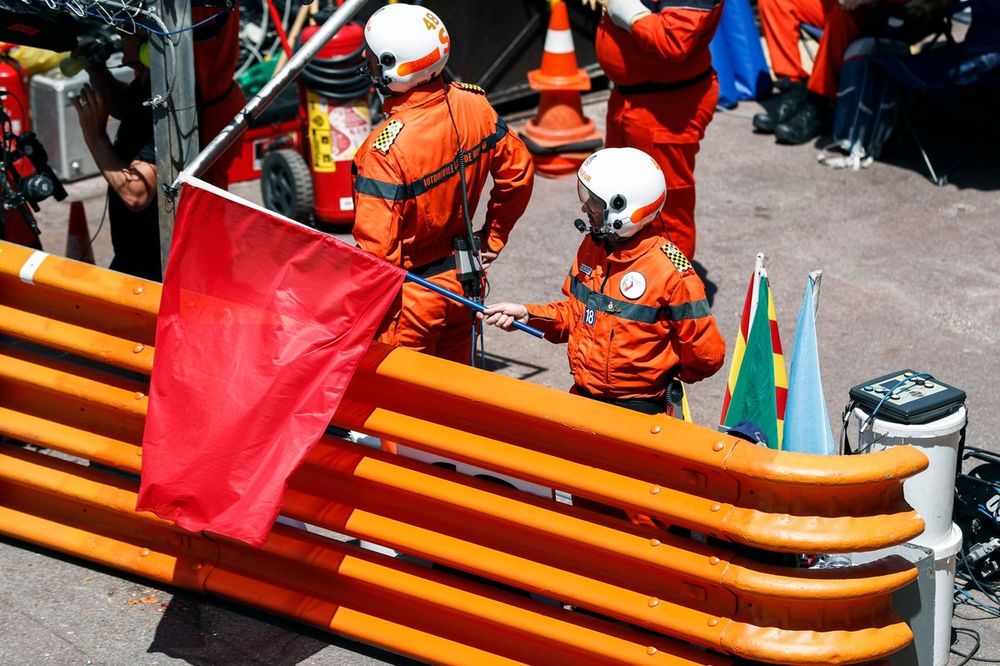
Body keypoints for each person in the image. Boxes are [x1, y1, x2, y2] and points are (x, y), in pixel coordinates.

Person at [483, 147, 724, 526]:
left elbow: (707, 355)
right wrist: (527, 314)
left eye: (594, 203)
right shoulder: (593, 248)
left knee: (641, 521)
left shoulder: (672, 271)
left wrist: (660, 376)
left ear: (625, 209)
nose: (585, 208)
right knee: (587, 511)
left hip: (639, 421)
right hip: (585, 408)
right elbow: (574, 313)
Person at [352, 3, 534, 366]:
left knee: (403, 393)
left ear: (394, 68)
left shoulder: (382, 152)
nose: (363, 58)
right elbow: (518, 173)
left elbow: (376, 255)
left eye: (371, 54)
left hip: (411, 298)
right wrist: (492, 238)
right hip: (465, 282)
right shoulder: (475, 104)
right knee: (456, 384)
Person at [589, 0, 724, 262]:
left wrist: (626, 10)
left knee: (665, 214)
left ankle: (673, 285)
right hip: (630, 97)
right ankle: (620, 278)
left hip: (666, 108)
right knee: (612, 200)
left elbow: (674, 40)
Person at [753, 0, 944, 145]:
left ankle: (820, 104)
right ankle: (793, 87)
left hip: (904, 13)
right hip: (853, 6)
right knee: (775, 1)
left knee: (841, 15)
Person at [75, 34, 160, 281]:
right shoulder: (147, 83)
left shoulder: (165, 103)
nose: (120, 37)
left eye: (126, 30)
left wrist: (94, 136)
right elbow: (125, 106)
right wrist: (95, 69)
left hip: (153, 267)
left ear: (148, 45)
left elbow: (136, 193)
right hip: (132, 257)